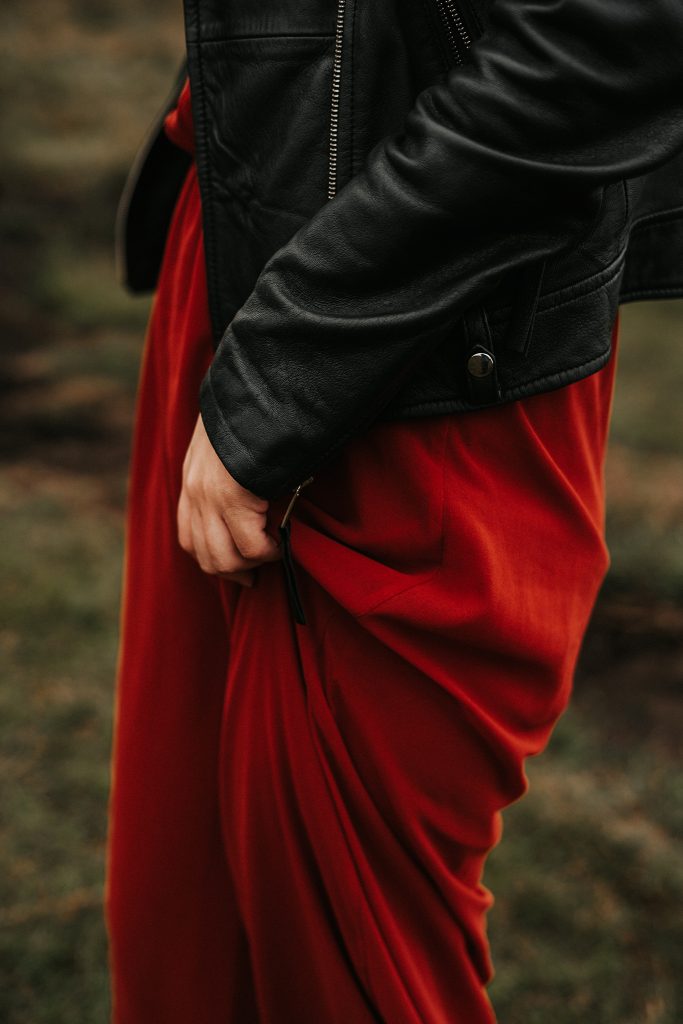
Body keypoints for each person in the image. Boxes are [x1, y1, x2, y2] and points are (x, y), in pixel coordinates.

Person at [104, 1, 683, 1020]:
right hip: (263, 254)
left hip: (410, 337)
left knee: (348, 956)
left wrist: (288, 369)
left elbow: (610, 36)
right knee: (193, 918)